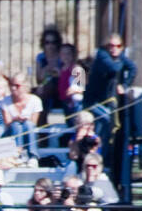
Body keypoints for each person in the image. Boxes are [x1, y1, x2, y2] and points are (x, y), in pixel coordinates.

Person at [83, 33, 136, 161]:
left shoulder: (118, 57)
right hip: (92, 101)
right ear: (106, 47)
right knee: (107, 119)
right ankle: (96, 156)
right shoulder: (102, 55)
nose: (114, 49)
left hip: (106, 102)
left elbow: (133, 68)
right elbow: (115, 67)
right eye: (111, 46)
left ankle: (102, 158)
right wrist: (121, 58)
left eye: (118, 46)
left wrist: (124, 85)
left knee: (104, 130)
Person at [2, 71, 42, 157]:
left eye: (17, 85)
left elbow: (34, 123)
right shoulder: (5, 101)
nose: (13, 88)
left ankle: (33, 156)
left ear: (25, 86)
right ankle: (17, 155)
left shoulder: (35, 100)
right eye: (11, 85)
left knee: (28, 124)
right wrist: (15, 118)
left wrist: (25, 119)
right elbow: (7, 123)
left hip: (28, 132)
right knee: (16, 125)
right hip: (11, 133)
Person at [58, 43, 87, 114]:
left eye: (68, 54)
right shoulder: (61, 69)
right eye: (63, 54)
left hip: (74, 102)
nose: (66, 56)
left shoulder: (76, 68)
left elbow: (83, 87)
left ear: (73, 55)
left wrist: (75, 90)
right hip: (65, 101)